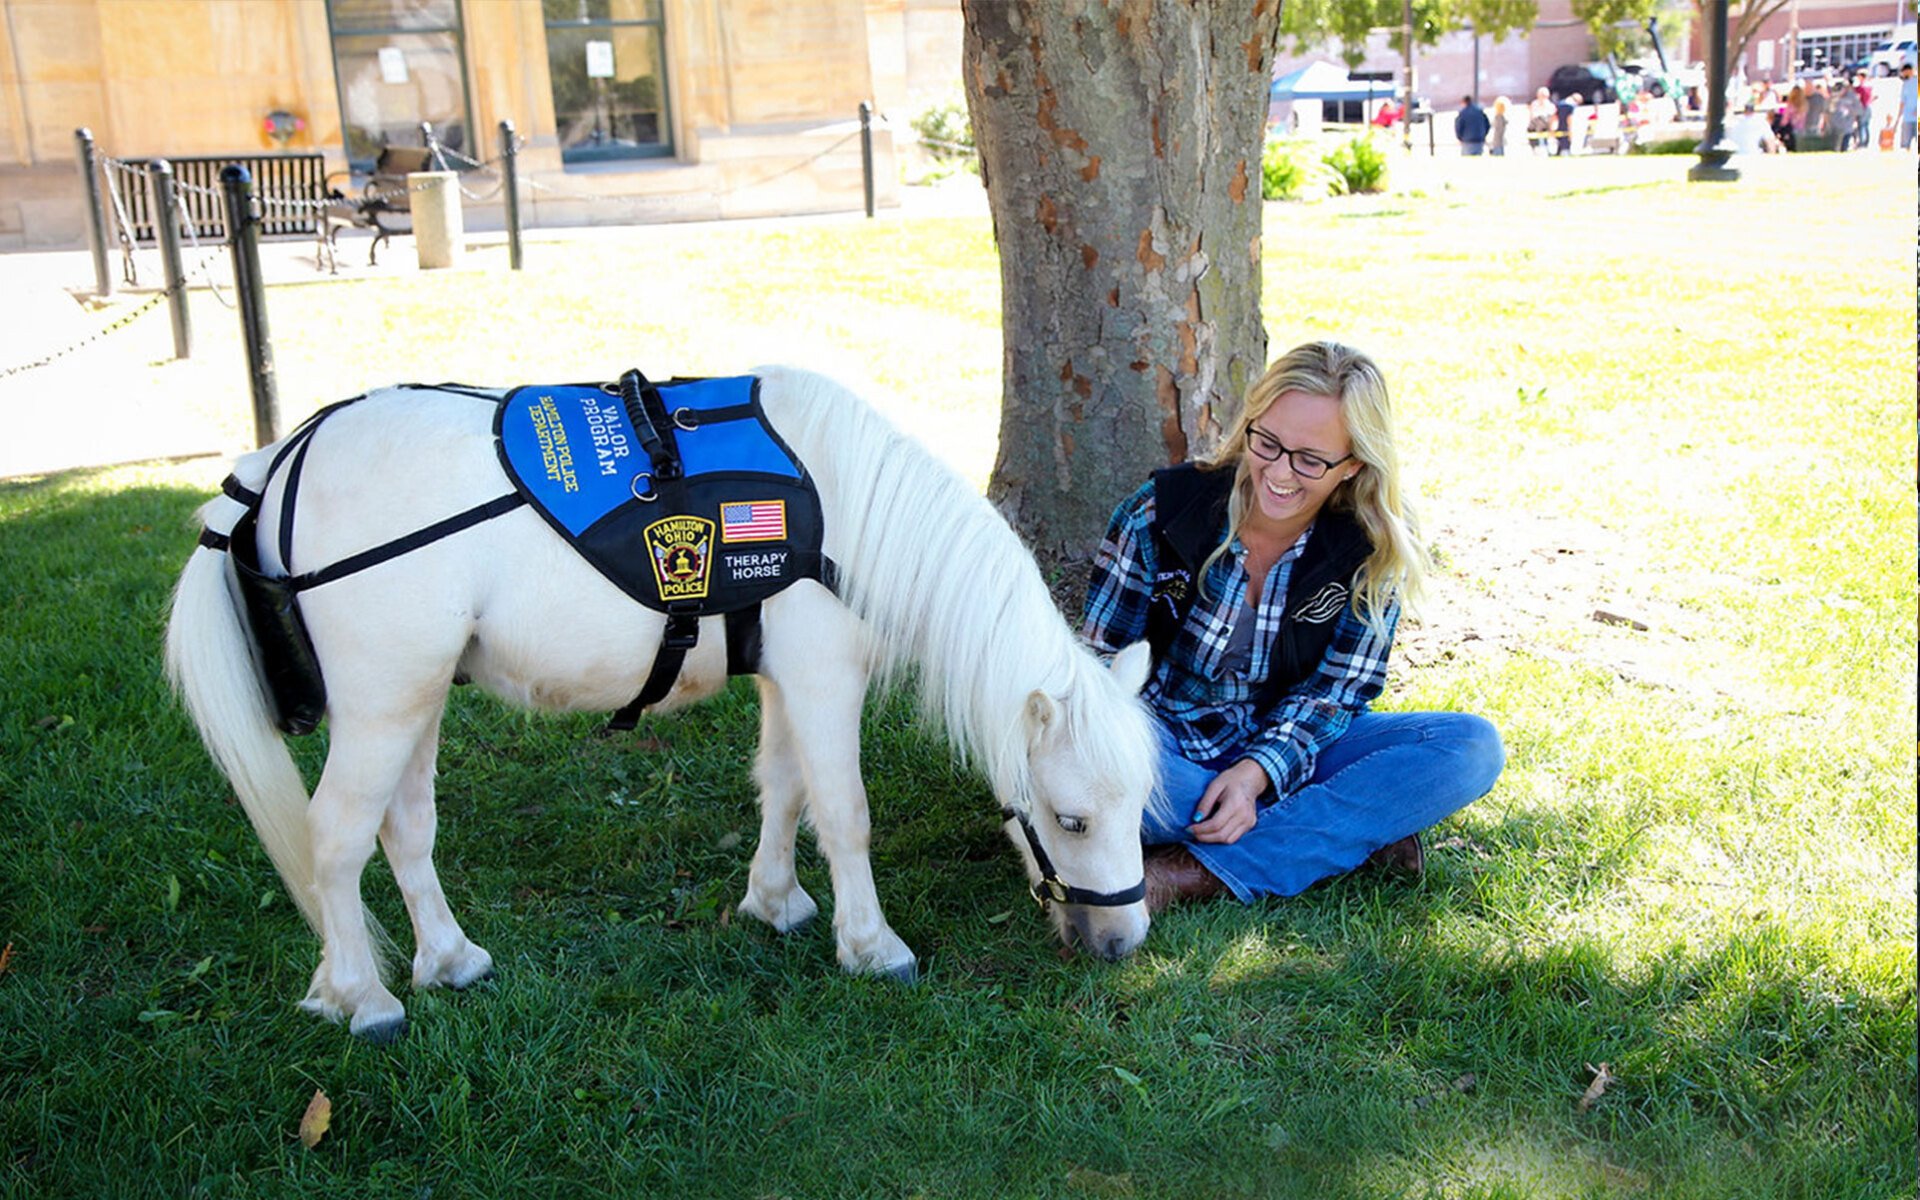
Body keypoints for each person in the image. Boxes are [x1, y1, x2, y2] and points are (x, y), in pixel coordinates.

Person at [1082, 341, 1505, 910]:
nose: (1279, 473)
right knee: (1131, 784)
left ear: (1353, 464)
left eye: (1310, 459)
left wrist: (1257, 773)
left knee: (1470, 748)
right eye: (1269, 443)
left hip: (1287, 743)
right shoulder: (1159, 514)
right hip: (1162, 745)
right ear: (1251, 423)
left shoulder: (1370, 548)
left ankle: (1187, 873)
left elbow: (1336, 694)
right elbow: (1099, 670)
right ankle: (1350, 827)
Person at [1527, 87, 1555, 153]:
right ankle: (1535, 151)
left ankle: (1546, 151)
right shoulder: (1534, 104)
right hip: (1534, 127)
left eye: (1543, 95)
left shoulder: (1550, 105)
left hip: (1545, 127)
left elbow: (1551, 118)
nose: (1542, 97)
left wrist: (1551, 128)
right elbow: (1531, 116)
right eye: (1540, 95)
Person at [1900, 64, 1917, 150]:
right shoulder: (1905, 84)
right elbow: (1902, 101)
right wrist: (1899, 116)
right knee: (1905, 144)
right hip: (1907, 117)